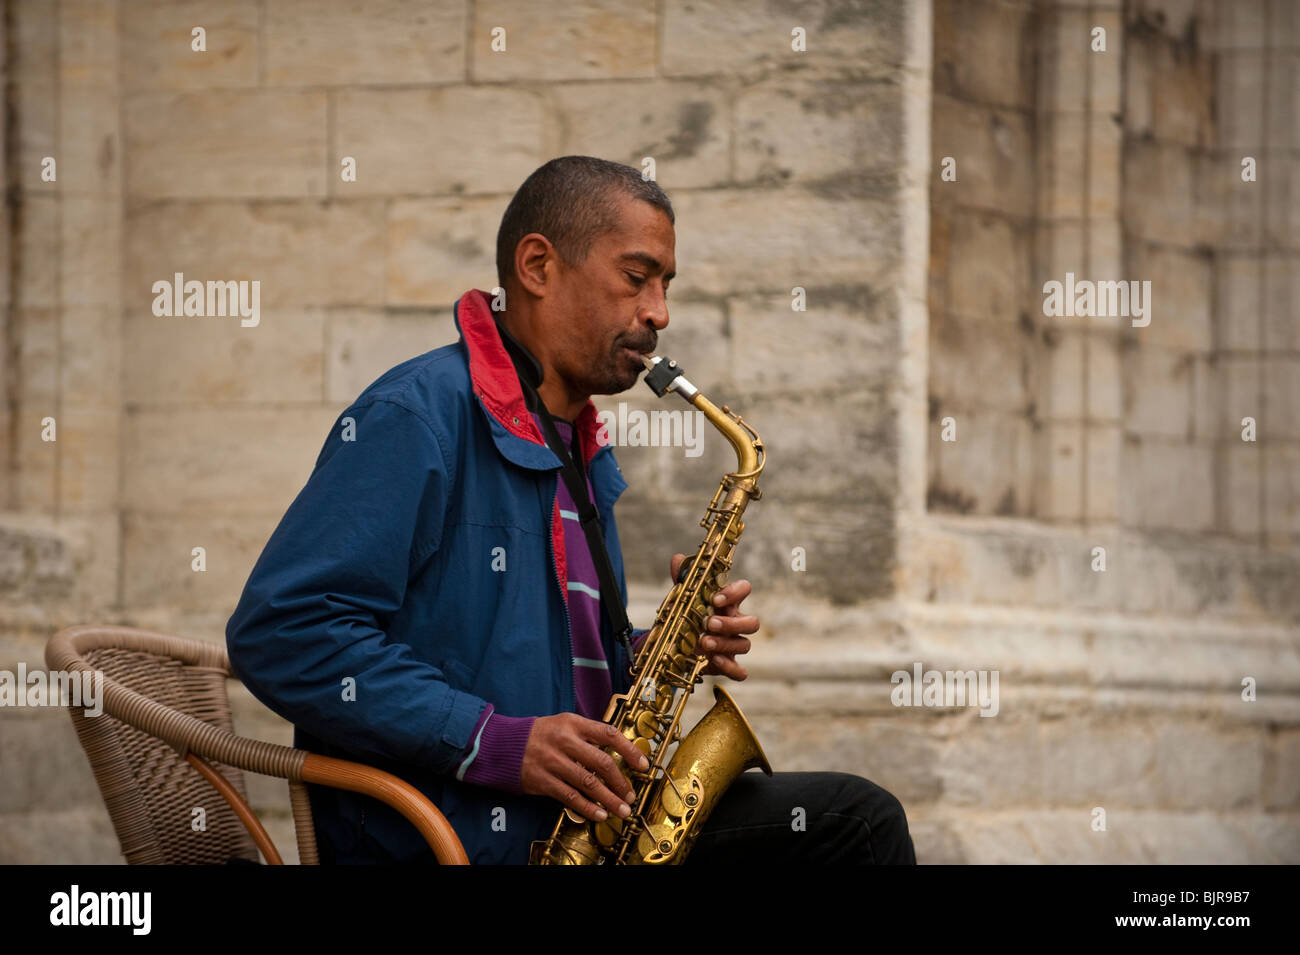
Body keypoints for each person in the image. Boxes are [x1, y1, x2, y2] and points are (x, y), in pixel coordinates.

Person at [226, 156, 916, 865]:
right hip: (457, 837)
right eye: (636, 276)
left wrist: (655, 654)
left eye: (666, 285)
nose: (659, 313)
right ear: (537, 265)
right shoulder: (417, 417)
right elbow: (283, 631)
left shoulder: (573, 439)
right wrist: (495, 741)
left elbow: (533, 657)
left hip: (569, 825)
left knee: (845, 820)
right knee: (855, 827)